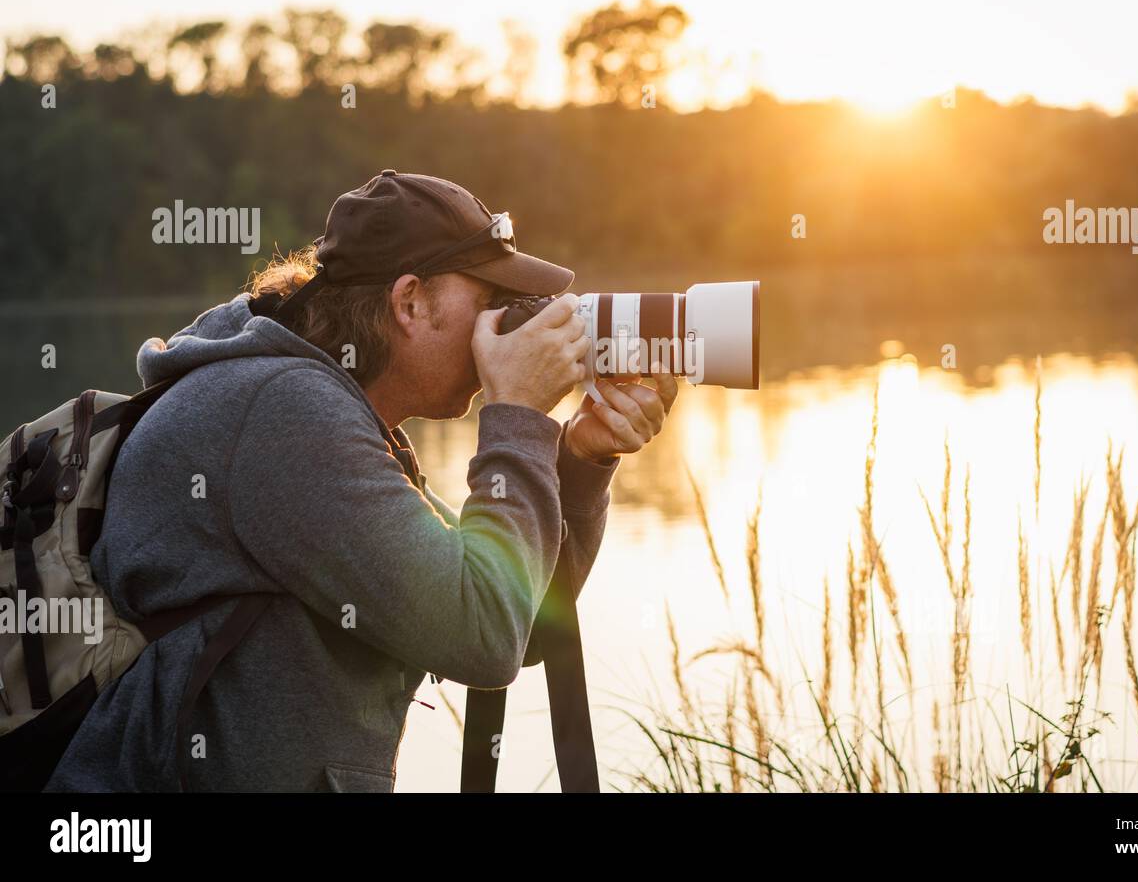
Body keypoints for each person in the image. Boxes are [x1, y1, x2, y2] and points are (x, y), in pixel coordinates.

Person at [46, 170, 675, 791]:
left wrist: (580, 462)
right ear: (409, 302)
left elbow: (525, 623)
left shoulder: (329, 414)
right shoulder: (280, 411)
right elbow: (485, 634)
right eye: (489, 301)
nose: (505, 327)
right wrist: (518, 415)